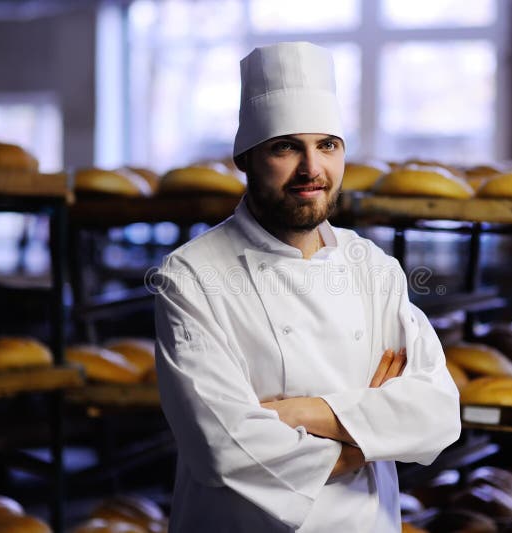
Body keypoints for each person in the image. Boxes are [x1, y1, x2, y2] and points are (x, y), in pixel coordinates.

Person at [153, 41, 461, 532]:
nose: (311, 169)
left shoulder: (373, 267)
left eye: (327, 146)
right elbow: (222, 449)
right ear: (246, 158)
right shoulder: (190, 277)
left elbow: (438, 413)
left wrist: (299, 413)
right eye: (285, 146)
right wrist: (371, 434)